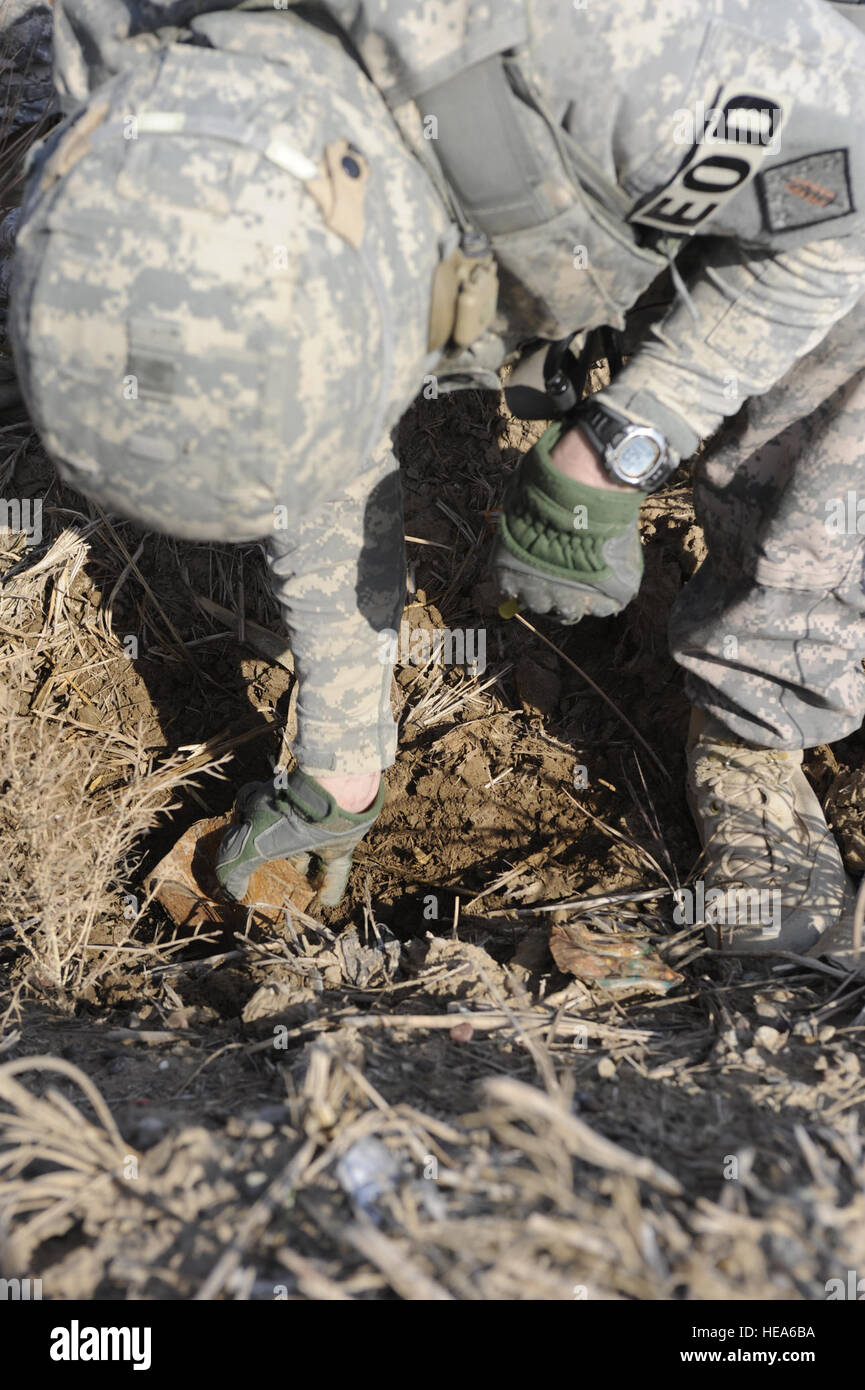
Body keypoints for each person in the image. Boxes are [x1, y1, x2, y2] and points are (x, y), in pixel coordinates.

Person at [8, 0, 865, 967]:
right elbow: (316, 455)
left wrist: (626, 435)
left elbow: (841, 199)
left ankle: (761, 713)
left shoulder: (636, 54)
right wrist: (340, 760)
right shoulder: (118, 88)